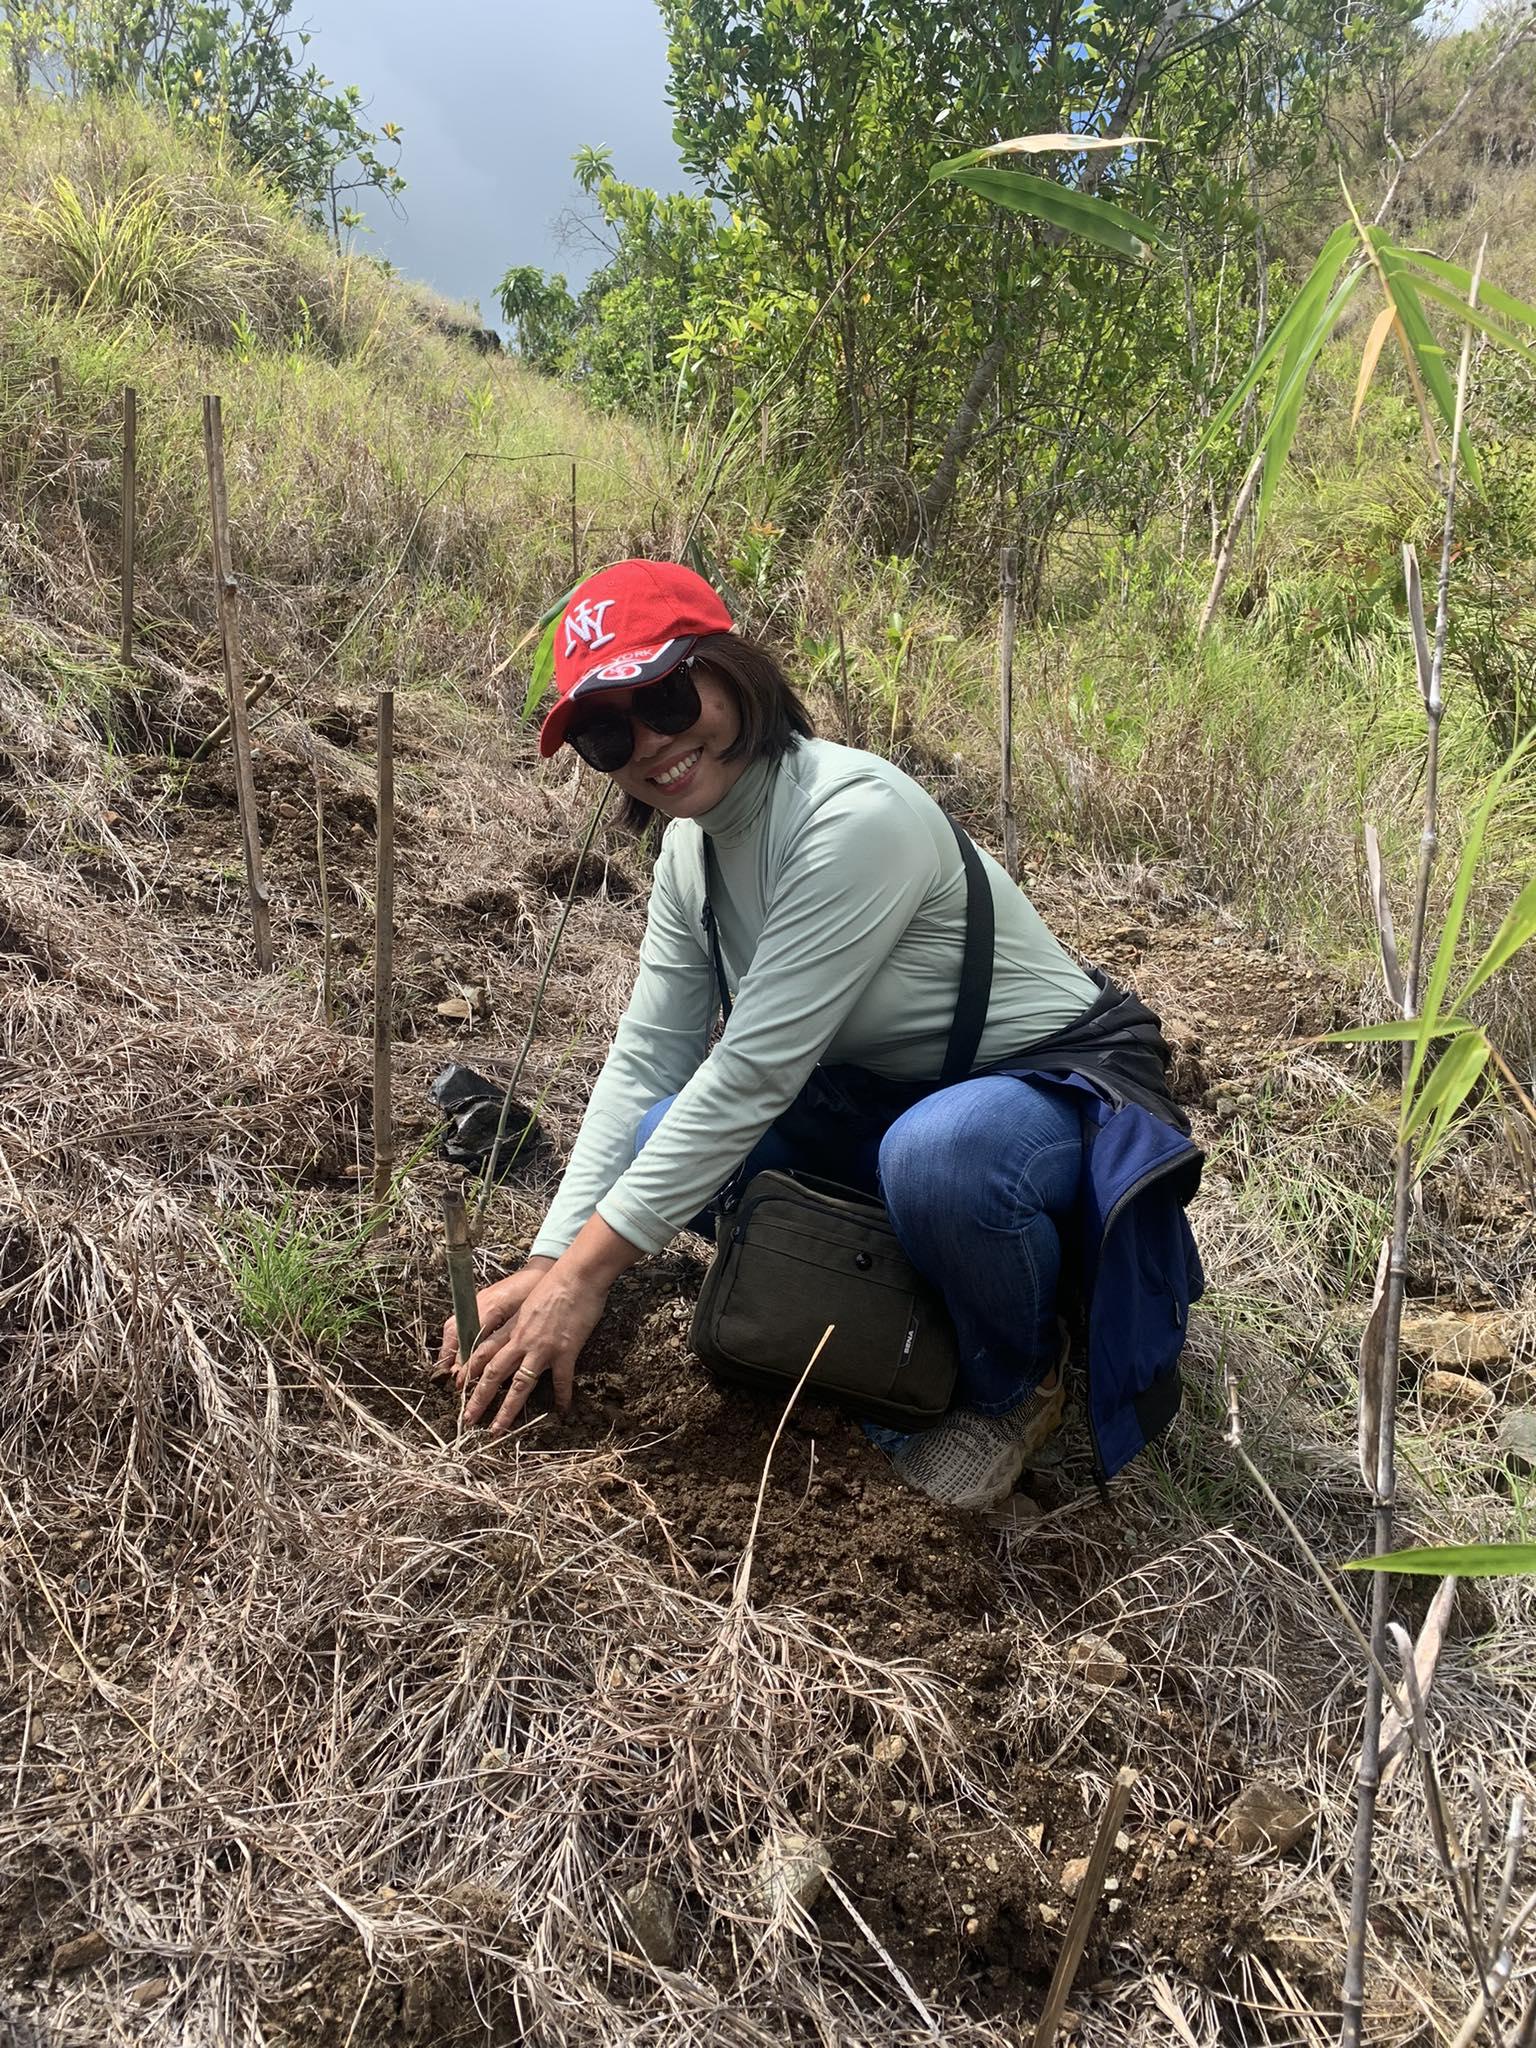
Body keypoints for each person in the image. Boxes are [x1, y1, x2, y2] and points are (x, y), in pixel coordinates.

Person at [438, 559, 1203, 1511]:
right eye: (605, 731)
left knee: (944, 1159)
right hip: (878, 1092)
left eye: (668, 697)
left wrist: (588, 1281)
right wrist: (551, 1260)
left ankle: (1015, 1381)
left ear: (732, 673)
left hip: (1041, 1088)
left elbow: (753, 1073)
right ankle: (915, 1291)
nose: (650, 744)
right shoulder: (691, 851)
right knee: (659, 1136)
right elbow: (649, 1060)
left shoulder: (852, 816)